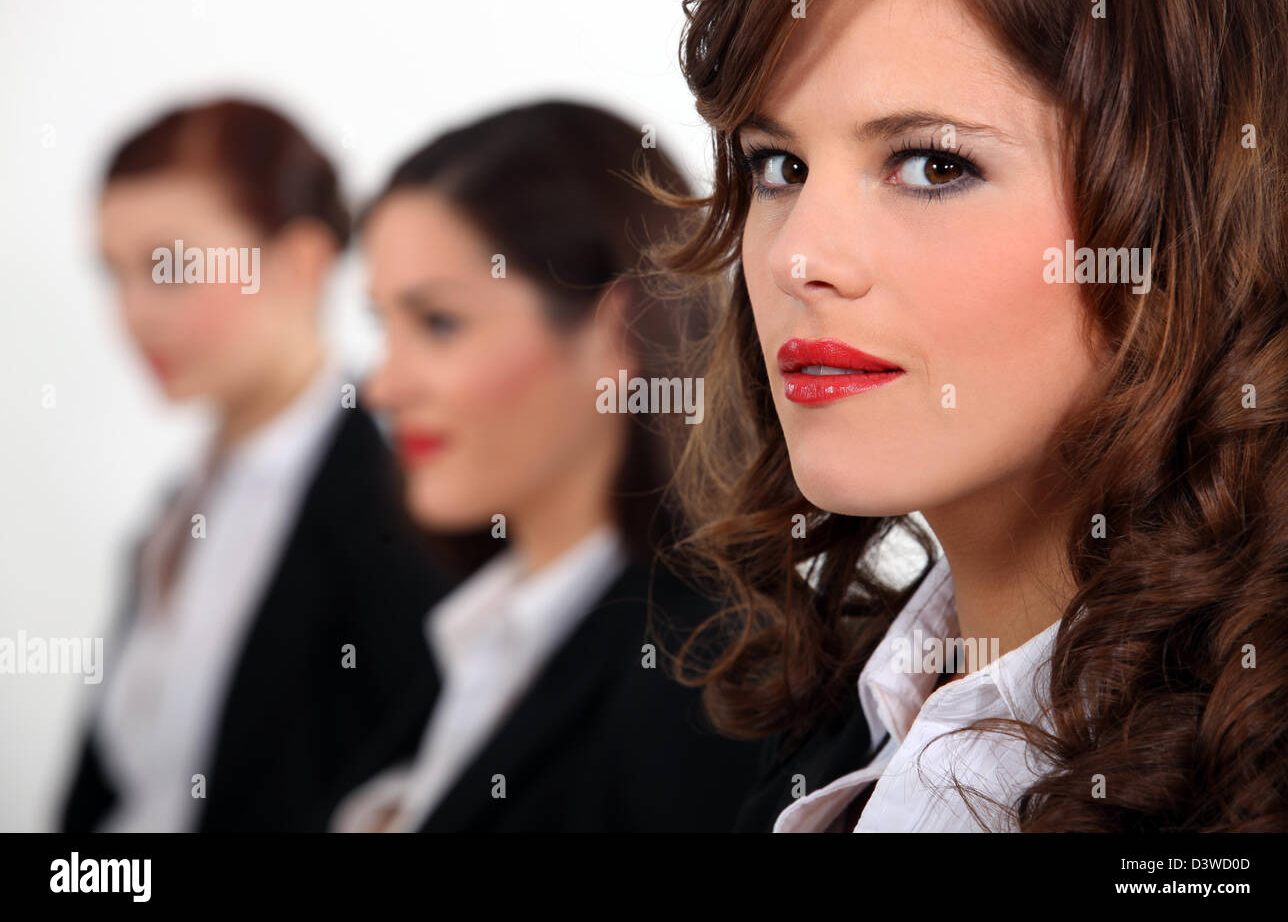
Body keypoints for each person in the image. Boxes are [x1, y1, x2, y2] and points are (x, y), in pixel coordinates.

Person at [646, 0, 1288, 831]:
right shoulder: (824, 735)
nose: (796, 257)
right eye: (781, 165)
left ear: (1196, 216)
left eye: (933, 164)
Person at [330, 99, 763, 831]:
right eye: (382, 325)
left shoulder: (710, 681)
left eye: (438, 323)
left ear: (613, 337)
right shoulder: (469, 627)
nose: (382, 385)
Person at [61, 97, 449, 831]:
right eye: (113, 274)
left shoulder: (405, 509)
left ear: (301, 262)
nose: (131, 314)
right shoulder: (179, 508)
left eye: (166, 267)